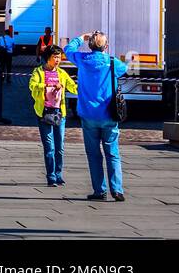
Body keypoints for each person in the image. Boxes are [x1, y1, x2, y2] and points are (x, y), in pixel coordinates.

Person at [64, 32, 129, 201]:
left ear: (89, 45)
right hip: (109, 114)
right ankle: (117, 189)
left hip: (88, 114)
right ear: (105, 47)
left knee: (93, 154)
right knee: (112, 152)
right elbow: (125, 68)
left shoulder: (82, 60)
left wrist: (80, 38)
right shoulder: (112, 62)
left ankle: (100, 190)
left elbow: (67, 49)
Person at [29, 45, 78, 187]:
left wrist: (87, 88)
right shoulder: (38, 72)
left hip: (59, 114)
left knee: (60, 147)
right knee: (49, 147)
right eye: (55, 57)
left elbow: (73, 87)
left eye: (59, 57)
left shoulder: (62, 73)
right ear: (48, 58)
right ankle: (51, 177)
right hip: (44, 113)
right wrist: (46, 86)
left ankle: (58, 174)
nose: (57, 60)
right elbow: (32, 85)